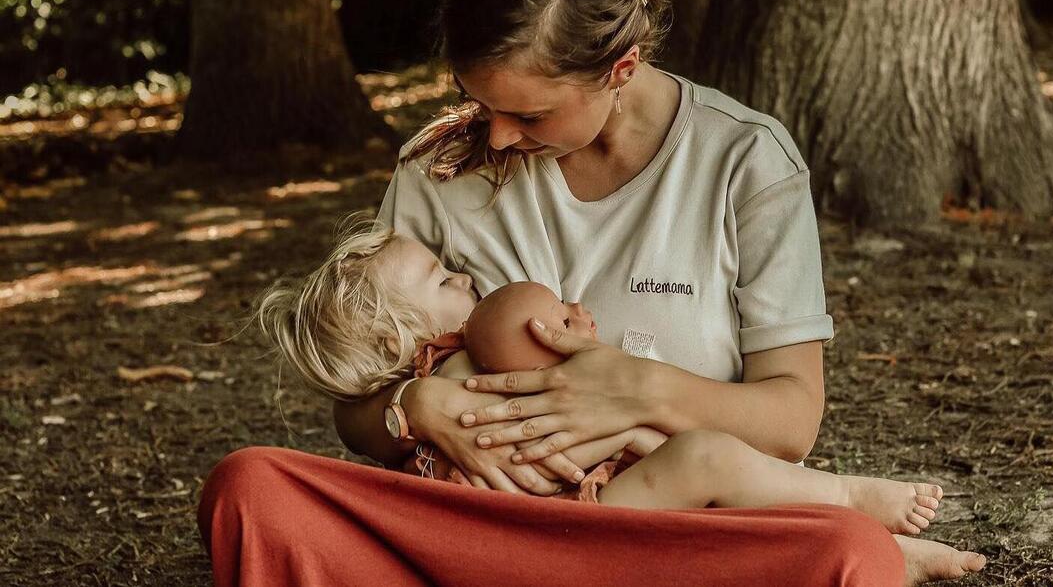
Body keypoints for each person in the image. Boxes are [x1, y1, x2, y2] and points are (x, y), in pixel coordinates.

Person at [199, 0, 986, 584]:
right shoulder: (439, 168)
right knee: (251, 488)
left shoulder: (746, 164)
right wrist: (416, 408)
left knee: (848, 552)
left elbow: (790, 422)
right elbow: (357, 405)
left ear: (621, 68)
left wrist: (640, 391)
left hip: (660, 530)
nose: (495, 136)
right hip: (477, 535)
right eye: (479, 103)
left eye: (529, 116)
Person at [256, 223, 946, 530]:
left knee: (703, 470)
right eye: (443, 279)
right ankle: (843, 500)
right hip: (581, 525)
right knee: (708, 462)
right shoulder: (476, 349)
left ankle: (845, 527)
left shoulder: (428, 402)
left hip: (553, 527)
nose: (463, 277)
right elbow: (528, 321)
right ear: (395, 337)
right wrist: (574, 336)